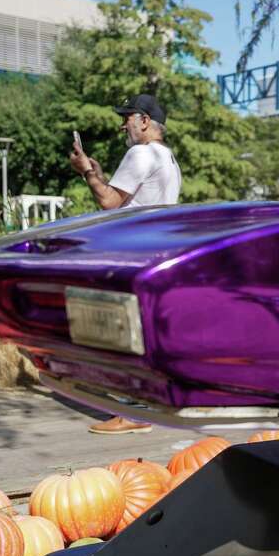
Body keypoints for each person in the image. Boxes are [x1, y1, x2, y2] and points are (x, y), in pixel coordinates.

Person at [68, 93, 182, 434]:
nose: (123, 124)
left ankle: (134, 413)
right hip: (156, 253)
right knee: (146, 333)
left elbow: (108, 203)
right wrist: (99, 175)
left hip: (135, 254)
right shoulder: (167, 157)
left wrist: (86, 171)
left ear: (144, 121)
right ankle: (148, 407)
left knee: (127, 331)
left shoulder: (141, 153)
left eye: (128, 117)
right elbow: (126, 201)